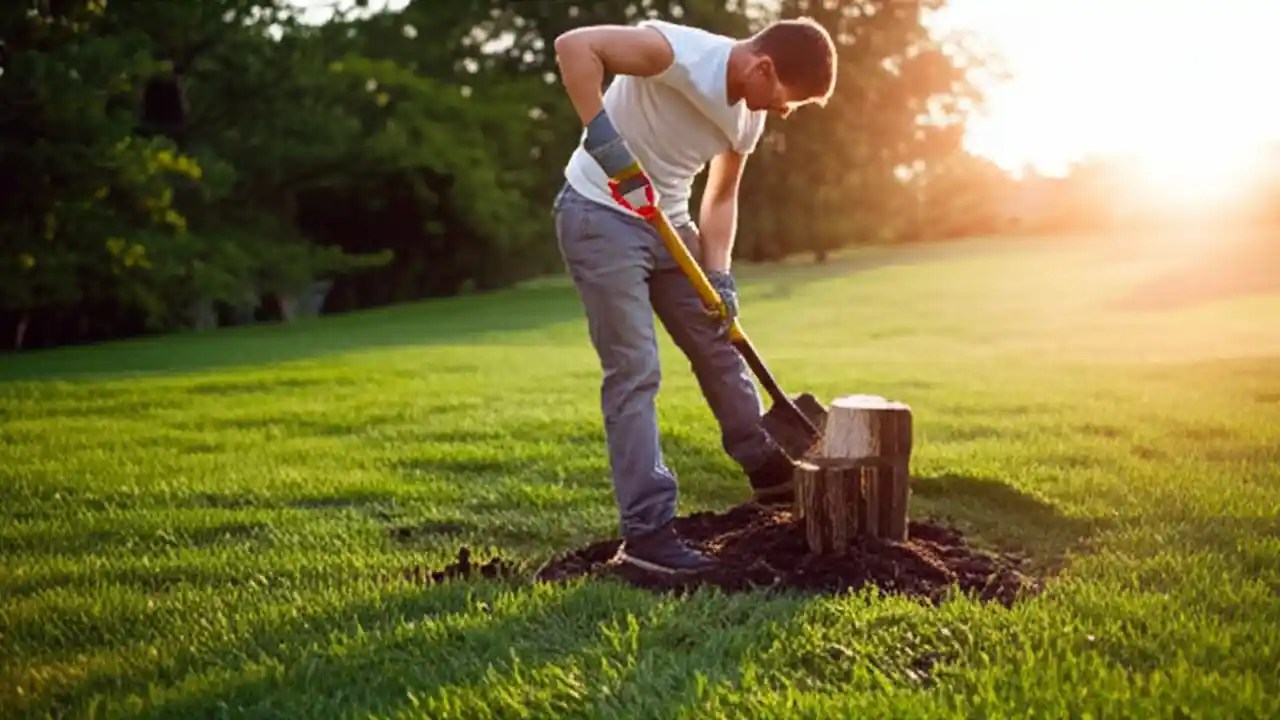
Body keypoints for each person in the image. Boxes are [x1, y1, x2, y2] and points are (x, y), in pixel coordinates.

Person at [551, 16, 838, 573]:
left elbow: (722, 198)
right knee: (635, 370)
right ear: (764, 67)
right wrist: (602, 135)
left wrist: (720, 274)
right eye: (787, 99)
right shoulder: (675, 53)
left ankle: (766, 468)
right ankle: (648, 534)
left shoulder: (748, 120)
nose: (783, 112)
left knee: (719, 347)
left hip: (669, 224)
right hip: (600, 215)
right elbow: (574, 47)